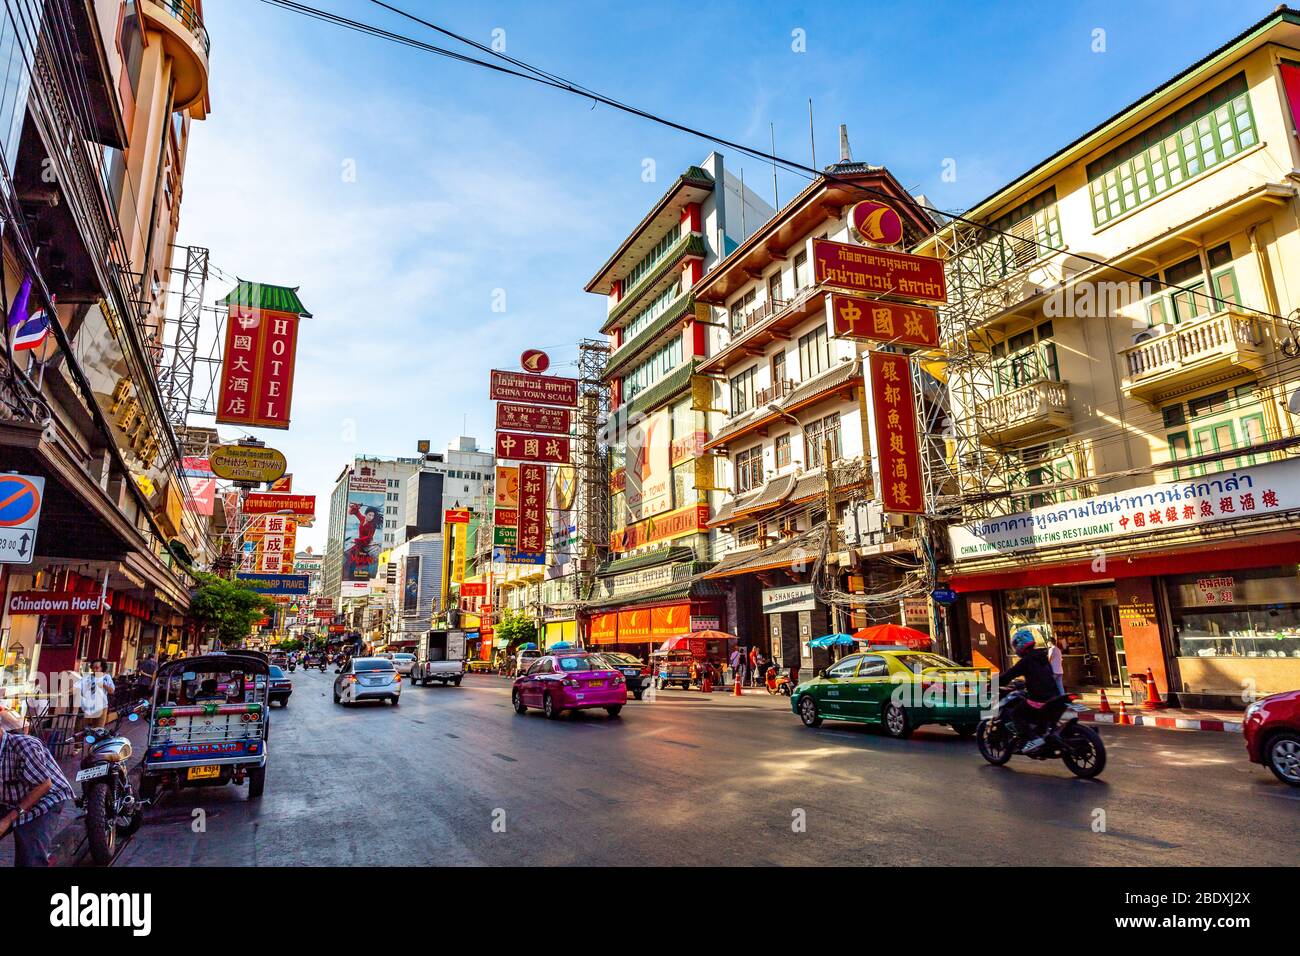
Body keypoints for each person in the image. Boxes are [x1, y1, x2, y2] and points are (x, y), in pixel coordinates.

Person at [0, 708, 76, 867]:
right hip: (9, 798)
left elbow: (44, 785)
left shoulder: (25, 745)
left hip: (43, 799)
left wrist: (8, 820)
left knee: (30, 859)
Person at [998, 630, 1064, 755]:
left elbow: (1009, 675)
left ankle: (1032, 740)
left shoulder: (1026, 661)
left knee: (1016, 714)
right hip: (1054, 696)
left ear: (1020, 645)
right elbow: (1039, 676)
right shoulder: (1042, 657)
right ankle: (1042, 735)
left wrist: (993, 683)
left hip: (1039, 698)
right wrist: (1026, 683)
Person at [78, 659, 115, 729]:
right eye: (93, 667)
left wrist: (103, 685)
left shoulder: (107, 677)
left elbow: (111, 691)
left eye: (97, 667)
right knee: (82, 728)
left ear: (102, 667)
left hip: (102, 706)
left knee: (98, 729)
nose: (95, 670)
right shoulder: (88, 677)